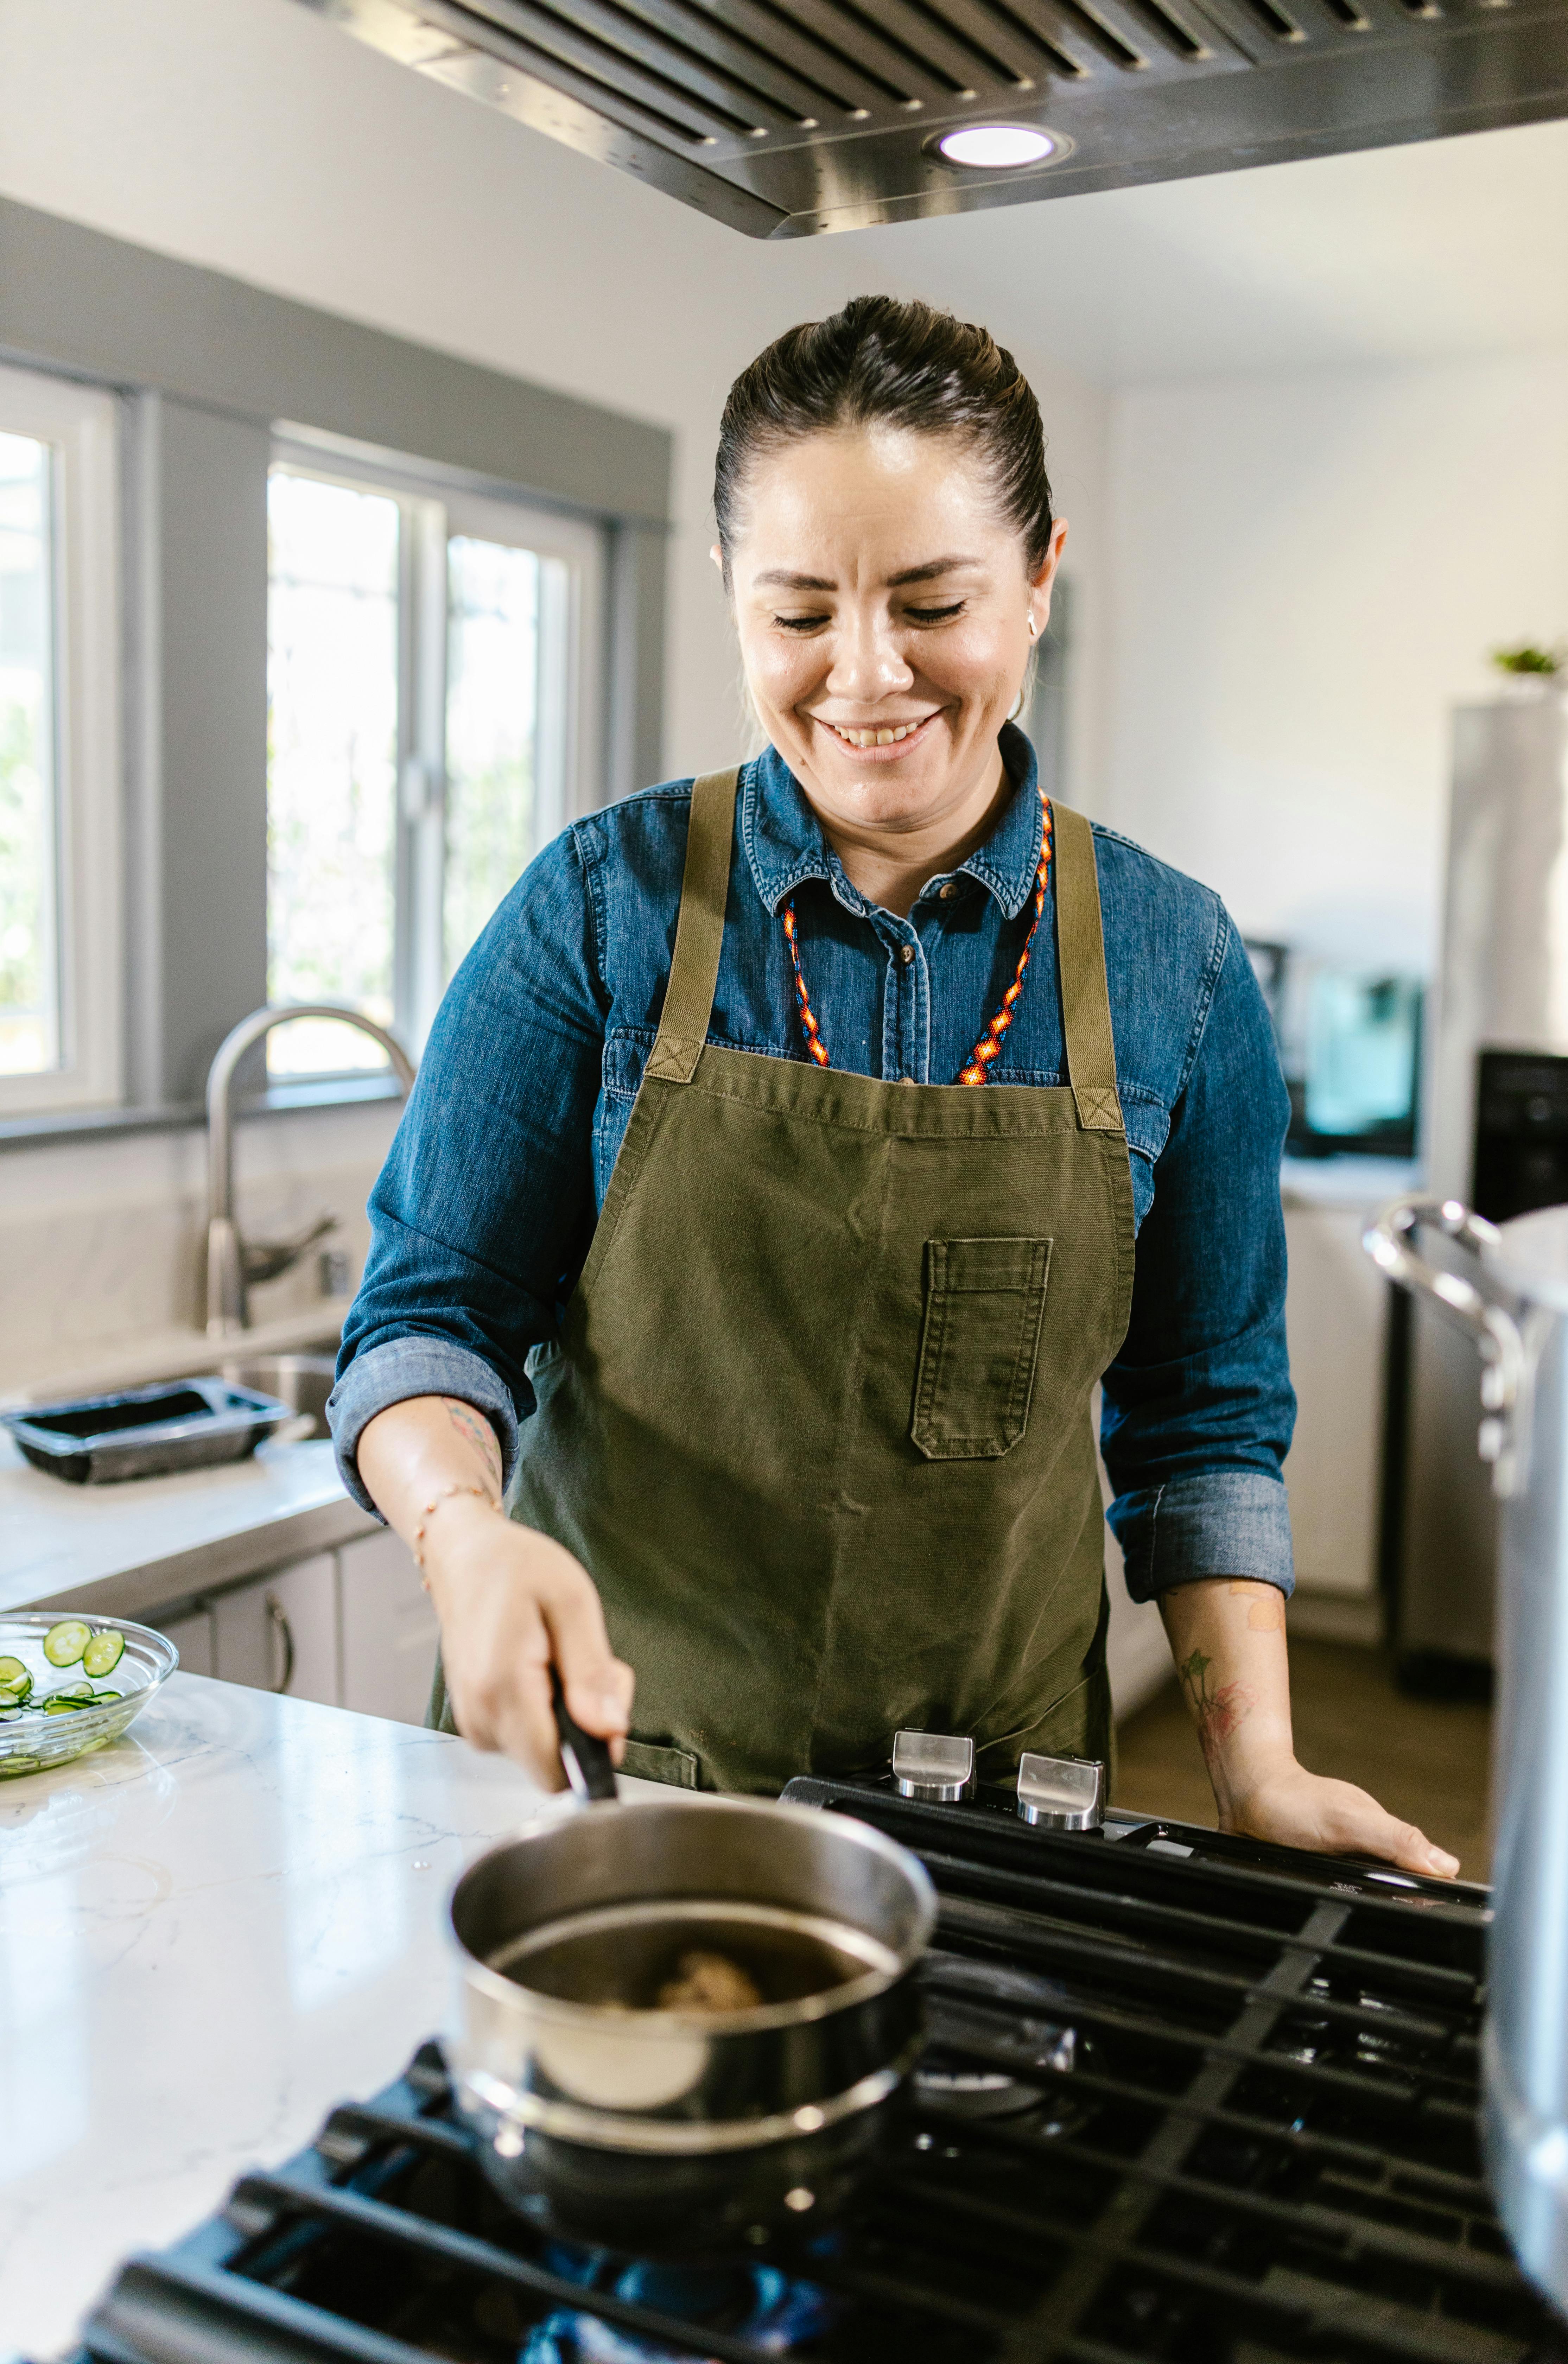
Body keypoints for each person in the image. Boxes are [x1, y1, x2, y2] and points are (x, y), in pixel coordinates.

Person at [328, 296, 1458, 1879]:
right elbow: (424, 1314)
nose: (866, 679)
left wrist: (1251, 1759)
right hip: (612, 1783)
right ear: (729, 591)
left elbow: (1203, 1413)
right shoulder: (602, 906)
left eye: (934, 601)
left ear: (1043, 576)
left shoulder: (1175, 962)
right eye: (799, 614)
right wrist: (464, 1541)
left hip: (1000, 1820)